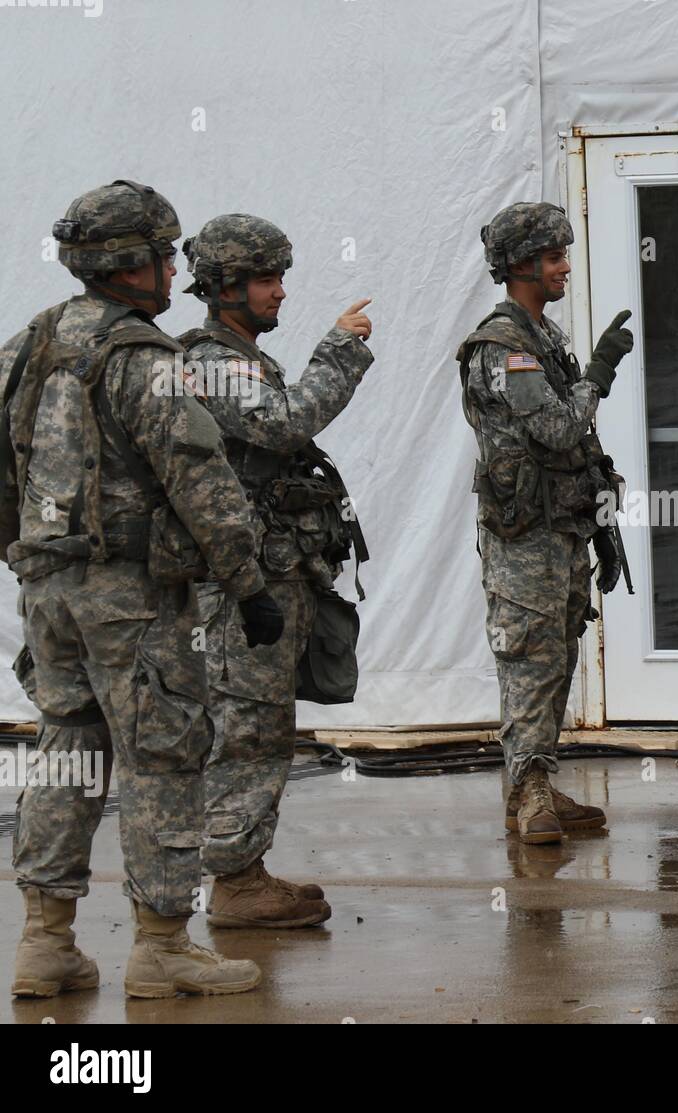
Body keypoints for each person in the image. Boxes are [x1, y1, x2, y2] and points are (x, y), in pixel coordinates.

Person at [4, 180, 282, 998]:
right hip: (133, 598)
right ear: (128, 265)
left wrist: (25, 552)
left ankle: (44, 943)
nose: (172, 270)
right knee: (163, 758)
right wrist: (248, 581)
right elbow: (201, 479)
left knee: (68, 751)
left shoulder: (32, 340)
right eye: (164, 255)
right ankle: (161, 945)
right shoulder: (146, 360)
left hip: (50, 588)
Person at [179, 214, 373, 928]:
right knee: (248, 724)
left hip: (267, 574)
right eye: (265, 278)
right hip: (239, 583)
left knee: (264, 720)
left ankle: (246, 868)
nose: (280, 292)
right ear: (224, 283)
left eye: (280, 276)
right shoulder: (213, 359)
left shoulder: (236, 355)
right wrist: (340, 349)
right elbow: (284, 423)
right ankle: (232, 879)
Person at [456, 201, 633, 844]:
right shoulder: (505, 347)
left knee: (558, 654)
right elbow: (559, 429)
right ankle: (528, 790)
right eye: (554, 257)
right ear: (524, 265)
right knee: (529, 656)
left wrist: (601, 521)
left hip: (561, 526)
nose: (565, 267)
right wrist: (599, 376)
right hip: (523, 535)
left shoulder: (542, 337)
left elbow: (575, 449)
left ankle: (536, 781)